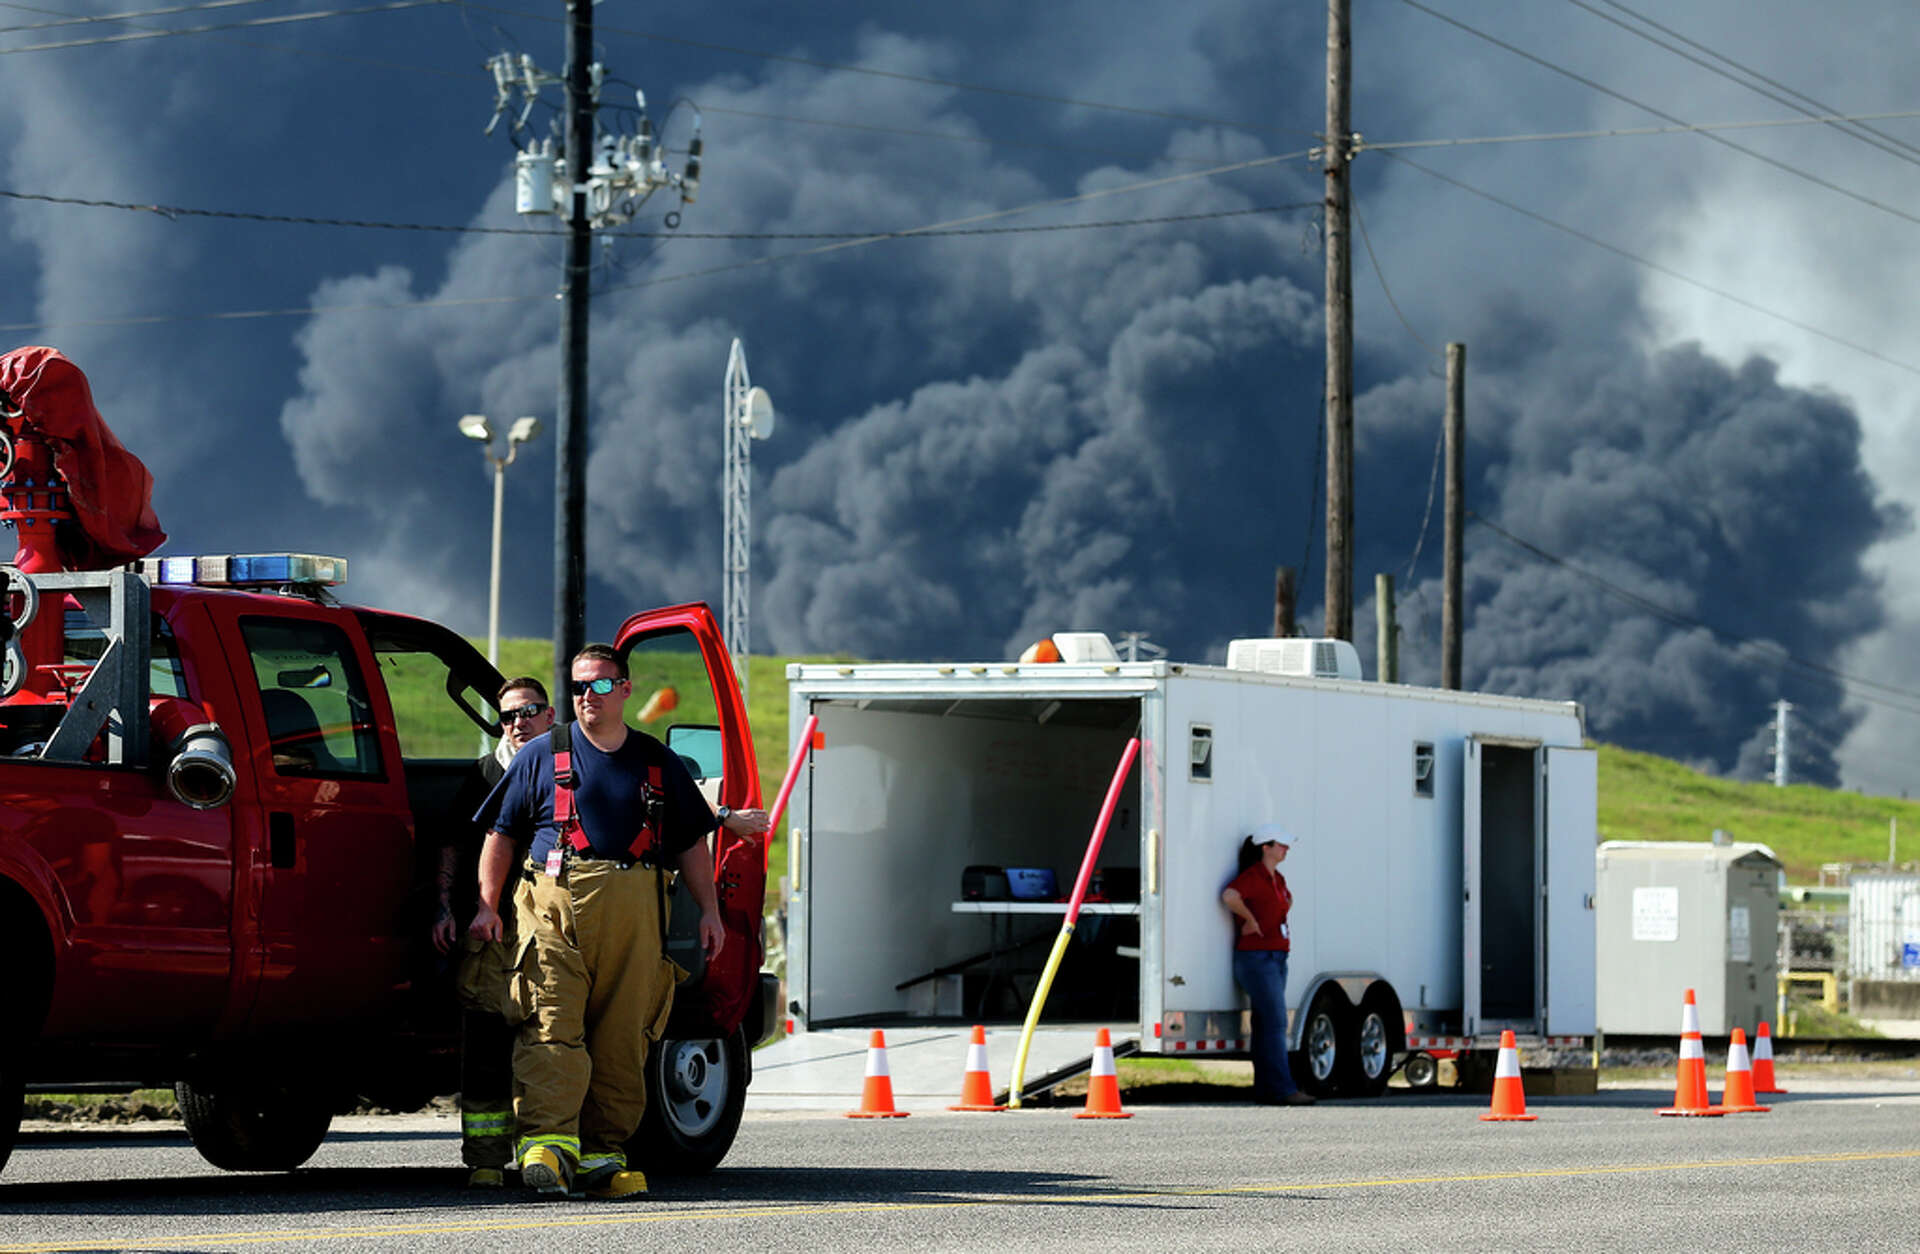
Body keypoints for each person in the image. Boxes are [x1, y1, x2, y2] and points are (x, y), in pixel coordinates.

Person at [468, 644, 770, 1201]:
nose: (588, 696)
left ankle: (604, 1155)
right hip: (551, 908)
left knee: (624, 1034)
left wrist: (709, 911)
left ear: (625, 690)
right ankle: (548, 1148)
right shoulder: (541, 756)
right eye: (580, 686)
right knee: (550, 1022)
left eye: (601, 685)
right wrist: (488, 906)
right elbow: (500, 837)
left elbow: (688, 844)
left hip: (636, 913)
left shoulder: (656, 761)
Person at [429, 676, 554, 1188]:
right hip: (489, 927)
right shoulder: (484, 774)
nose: (518, 723)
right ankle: (484, 1158)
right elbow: (453, 846)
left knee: (548, 1042)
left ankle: (543, 1152)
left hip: (548, 926)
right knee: (484, 1040)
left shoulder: (568, 767)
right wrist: (445, 909)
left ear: (549, 715)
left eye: (528, 712)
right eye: (508, 716)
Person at [1220, 823, 1315, 1106]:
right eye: (1281, 845)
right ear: (1266, 848)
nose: (1286, 849)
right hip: (1257, 957)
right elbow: (1229, 896)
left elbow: (1287, 901)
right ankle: (1283, 1088)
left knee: (1265, 1022)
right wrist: (1249, 920)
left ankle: (1266, 1088)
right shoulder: (1253, 877)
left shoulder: (1278, 879)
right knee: (1275, 1021)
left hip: (1276, 955)